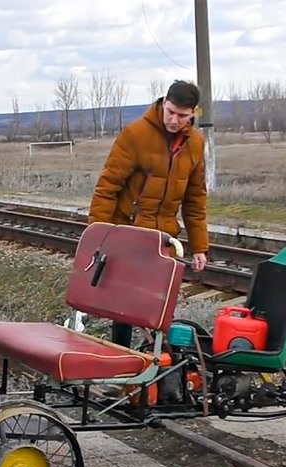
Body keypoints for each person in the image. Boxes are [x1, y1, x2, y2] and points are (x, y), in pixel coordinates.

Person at [87, 79, 209, 348]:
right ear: (164, 103)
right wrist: (98, 236)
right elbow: (107, 188)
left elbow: (195, 198)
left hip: (163, 237)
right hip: (129, 232)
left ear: (193, 114)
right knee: (124, 304)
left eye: (182, 115)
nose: (174, 120)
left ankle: (154, 362)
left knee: (158, 302)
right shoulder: (136, 135)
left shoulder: (196, 144)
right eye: (170, 112)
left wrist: (200, 246)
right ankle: (121, 356)